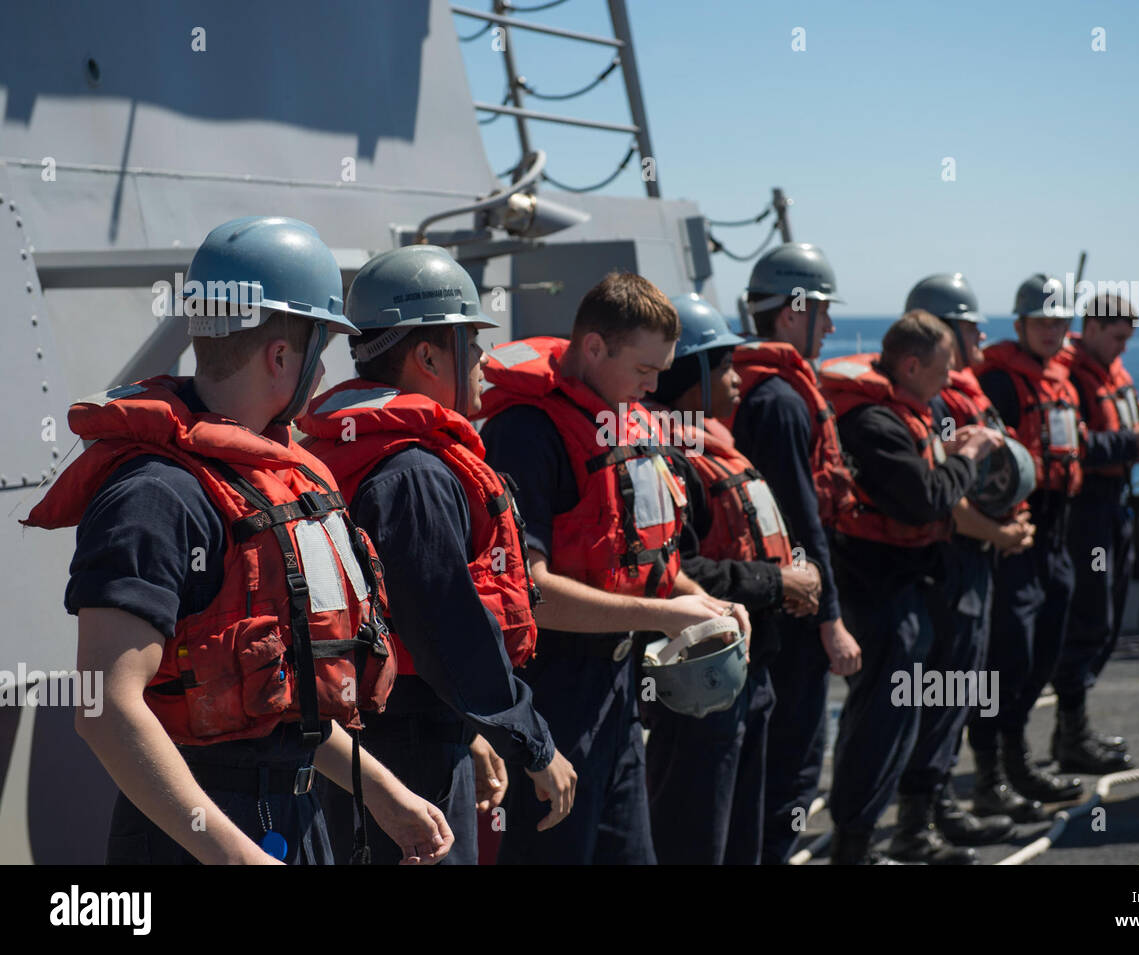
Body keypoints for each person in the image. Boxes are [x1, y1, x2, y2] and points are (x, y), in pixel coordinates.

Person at [22, 216, 453, 865]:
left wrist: (384, 793)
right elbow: (104, 706)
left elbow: (279, 701)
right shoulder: (157, 495)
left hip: (293, 819)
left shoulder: (274, 481)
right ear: (283, 356)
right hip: (192, 838)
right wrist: (236, 855)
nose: (322, 370)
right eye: (320, 346)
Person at [296, 245, 576, 864]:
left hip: (376, 737)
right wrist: (535, 744)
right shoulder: (415, 474)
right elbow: (447, 630)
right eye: (468, 344)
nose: (480, 360)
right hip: (406, 752)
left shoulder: (349, 452)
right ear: (427, 355)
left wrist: (470, 732)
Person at [478, 272, 750, 864]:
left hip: (617, 699)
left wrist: (703, 604)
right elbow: (532, 593)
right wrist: (666, 615)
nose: (655, 388)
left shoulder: (623, 419)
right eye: (645, 371)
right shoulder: (528, 432)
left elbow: (636, 560)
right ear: (595, 347)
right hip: (552, 696)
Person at [640, 293, 821, 864]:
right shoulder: (666, 461)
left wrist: (796, 577)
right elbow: (676, 570)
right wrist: (777, 583)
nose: (737, 378)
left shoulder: (714, 446)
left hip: (748, 672)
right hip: (702, 685)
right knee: (697, 834)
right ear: (689, 375)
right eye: (722, 366)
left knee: (743, 829)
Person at [819, 312, 1003, 864]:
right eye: (944, 369)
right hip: (879, 589)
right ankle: (854, 847)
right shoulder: (875, 424)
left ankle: (905, 832)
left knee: (909, 715)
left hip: (911, 586)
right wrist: (968, 457)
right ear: (912, 364)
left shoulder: (911, 413)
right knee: (880, 718)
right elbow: (924, 498)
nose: (951, 380)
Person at [734, 242, 863, 864]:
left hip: (761, 605)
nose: (831, 326)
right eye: (823, 311)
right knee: (792, 766)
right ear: (793, 312)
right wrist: (831, 621)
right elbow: (801, 520)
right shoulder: (782, 403)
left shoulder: (754, 393)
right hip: (791, 613)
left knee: (767, 764)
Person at [900, 274, 1033, 836]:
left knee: (962, 684)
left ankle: (935, 809)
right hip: (954, 564)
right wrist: (999, 536)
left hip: (975, 561)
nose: (981, 333)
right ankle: (919, 820)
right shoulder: (941, 406)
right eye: (970, 324)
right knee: (947, 686)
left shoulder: (963, 392)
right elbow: (947, 497)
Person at [972, 274, 1093, 808]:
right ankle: (990, 774)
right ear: (1019, 324)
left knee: (1046, 647)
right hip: (1016, 537)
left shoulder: (1063, 382)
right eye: (1042, 322)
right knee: (1008, 656)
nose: (1052, 331)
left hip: (1058, 535)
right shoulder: (1002, 383)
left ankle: (1016, 759)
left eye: (1059, 322)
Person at [1048, 293, 1139, 774]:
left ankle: (1072, 730)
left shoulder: (1111, 373)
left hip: (1116, 508)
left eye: (1128, 339)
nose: (1122, 350)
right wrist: (1135, 441)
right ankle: (1071, 733)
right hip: (1086, 512)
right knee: (1090, 617)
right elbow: (1075, 445)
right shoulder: (1068, 378)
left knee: (1106, 621)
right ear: (1089, 328)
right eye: (1116, 338)